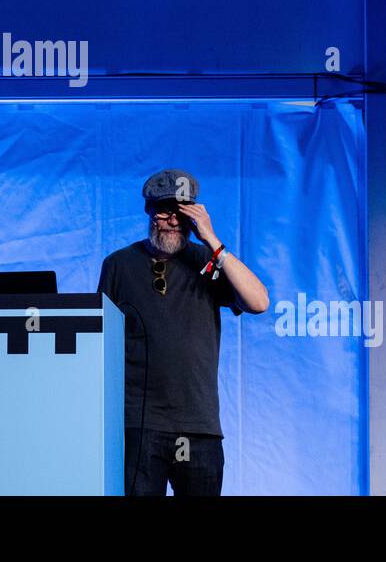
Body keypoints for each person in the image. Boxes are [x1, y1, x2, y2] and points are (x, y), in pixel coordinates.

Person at [96, 168, 269, 496]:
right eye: (165, 211)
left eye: (182, 212)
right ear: (149, 213)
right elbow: (101, 340)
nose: (173, 220)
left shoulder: (207, 262)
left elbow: (259, 302)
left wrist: (213, 241)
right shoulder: (118, 265)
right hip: (139, 425)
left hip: (199, 425)